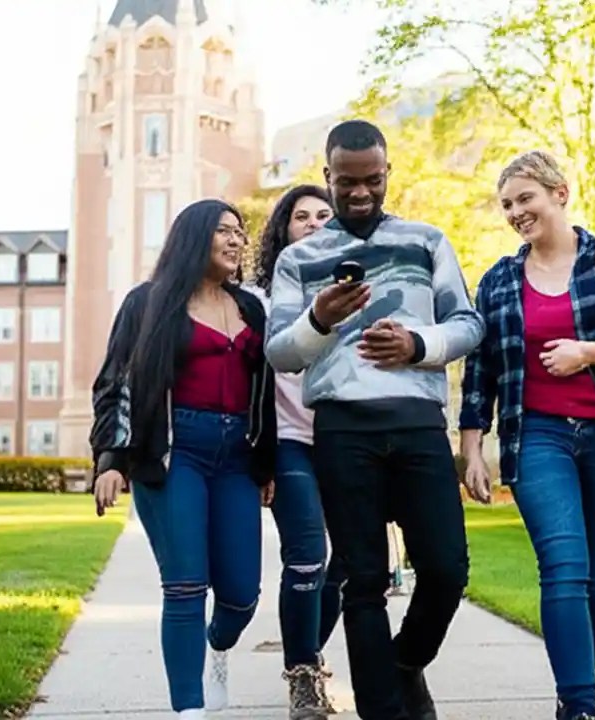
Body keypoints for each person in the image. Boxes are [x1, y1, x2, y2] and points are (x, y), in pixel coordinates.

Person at [265, 119, 484, 720]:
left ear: (388, 174)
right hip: (342, 429)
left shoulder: (426, 241)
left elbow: (468, 323)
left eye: (372, 180)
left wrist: (416, 344)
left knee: (446, 569)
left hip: (416, 423)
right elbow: (279, 351)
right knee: (362, 583)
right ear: (328, 174)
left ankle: (404, 664)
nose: (360, 193)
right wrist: (318, 317)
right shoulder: (299, 258)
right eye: (347, 182)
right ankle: (383, 710)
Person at [457, 150, 595, 720]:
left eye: (525, 198)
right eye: (507, 204)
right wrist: (472, 447)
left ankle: (569, 692)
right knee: (563, 568)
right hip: (538, 438)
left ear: (560, 193)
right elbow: (482, 373)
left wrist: (587, 353)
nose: (515, 212)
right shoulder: (500, 281)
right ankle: (582, 707)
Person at [91, 199, 277, 720]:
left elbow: (266, 397)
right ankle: (188, 710)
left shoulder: (251, 310)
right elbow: (116, 384)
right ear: (193, 237)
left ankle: (217, 646)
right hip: (175, 457)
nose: (237, 240)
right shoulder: (148, 303)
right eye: (223, 231)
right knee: (185, 585)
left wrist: (266, 466)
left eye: (240, 232)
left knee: (242, 594)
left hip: (237, 457)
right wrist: (111, 458)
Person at [250, 184, 344, 718]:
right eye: (300, 215)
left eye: (322, 214)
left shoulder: (362, 289)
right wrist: (256, 459)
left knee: (348, 563)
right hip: (288, 442)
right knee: (308, 554)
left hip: (344, 440)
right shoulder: (262, 302)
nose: (312, 222)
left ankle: (307, 651)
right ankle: (303, 677)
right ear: (283, 230)